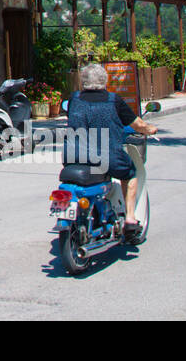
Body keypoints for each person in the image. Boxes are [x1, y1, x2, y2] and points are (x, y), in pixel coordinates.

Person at [62, 62, 158, 240]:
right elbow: (137, 125)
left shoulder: (74, 99)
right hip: (106, 156)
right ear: (104, 81)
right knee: (129, 174)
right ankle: (130, 218)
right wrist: (150, 129)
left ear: (83, 82)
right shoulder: (114, 100)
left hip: (74, 156)